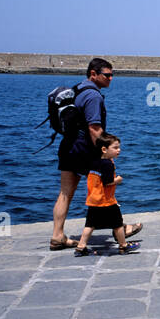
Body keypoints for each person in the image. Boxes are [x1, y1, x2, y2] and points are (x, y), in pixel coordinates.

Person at [51, 57, 126, 249]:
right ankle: (120, 229)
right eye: (107, 75)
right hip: (84, 149)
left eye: (112, 75)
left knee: (65, 193)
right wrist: (106, 152)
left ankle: (57, 236)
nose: (111, 78)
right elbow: (94, 129)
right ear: (93, 74)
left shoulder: (77, 89)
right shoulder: (93, 96)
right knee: (106, 187)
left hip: (68, 146)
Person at [74, 134, 141, 254]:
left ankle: (81, 246)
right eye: (115, 148)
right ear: (104, 149)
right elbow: (108, 182)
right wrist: (118, 180)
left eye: (119, 147)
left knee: (90, 224)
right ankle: (123, 245)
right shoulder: (107, 164)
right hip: (106, 200)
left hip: (93, 199)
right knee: (118, 224)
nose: (118, 150)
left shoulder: (94, 162)